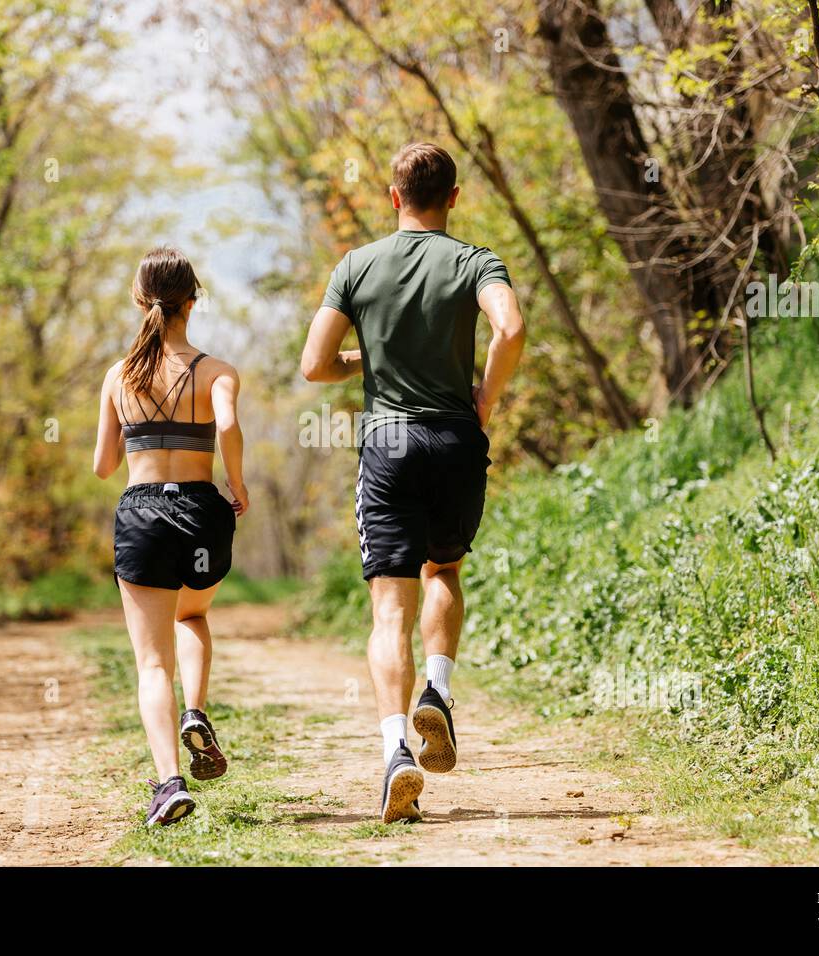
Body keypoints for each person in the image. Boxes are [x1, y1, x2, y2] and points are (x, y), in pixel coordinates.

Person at [301, 143, 526, 823]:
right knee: (444, 568)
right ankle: (438, 687)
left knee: (387, 607)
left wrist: (366, 358)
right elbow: (510, 326)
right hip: (457, 435)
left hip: (389, 442)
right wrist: (485, 393)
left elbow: (314, 364)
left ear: (394, 196)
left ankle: (397, 749)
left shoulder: (356, 266)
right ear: (453, 197)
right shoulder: (476, 261)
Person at [93, 246, 249, 827]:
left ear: (141, 301)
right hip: (203, 511)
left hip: (141, 515)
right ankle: (196, 710)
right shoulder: (217, 371)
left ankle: (168, 784)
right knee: (192, 616)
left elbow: (103, 465)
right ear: (193, 300)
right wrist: (236, 483)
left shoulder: (119, 375)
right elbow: (228, 425)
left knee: (151, 663)